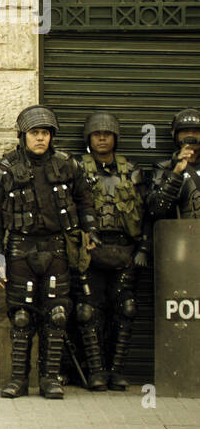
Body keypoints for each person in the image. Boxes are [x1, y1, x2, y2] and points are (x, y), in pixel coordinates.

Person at [0, 105, 97, 399]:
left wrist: (90, 231)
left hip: (58, 248)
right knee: (21, 317)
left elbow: (85, 201)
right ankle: (19, 379)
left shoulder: (67, 164)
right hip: (20, 249)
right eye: (35, 133)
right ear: (24, 136)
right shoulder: (5, 169)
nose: (40, 138)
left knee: (57, 315)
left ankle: (50, 379)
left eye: (45, 133)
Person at [73, 111, 148, 391]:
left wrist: (143, 248)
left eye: (107, 133)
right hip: (90, 250)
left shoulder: (132, 170)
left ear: (116, 137)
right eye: (96, 133)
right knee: (87, 312)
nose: (102, 137)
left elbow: (145, 213)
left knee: (126, 310)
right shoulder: (76, 168)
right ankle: (95, 371)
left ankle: (116, 371)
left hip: (124, 249)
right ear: (88, 138)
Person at [147, 107, 200, 221]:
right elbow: (155, 210)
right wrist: (175, 173)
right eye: (185, 131)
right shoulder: (164, 167)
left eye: (196, 131)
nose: (190, 136)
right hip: (178, 235)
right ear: (176, 136)